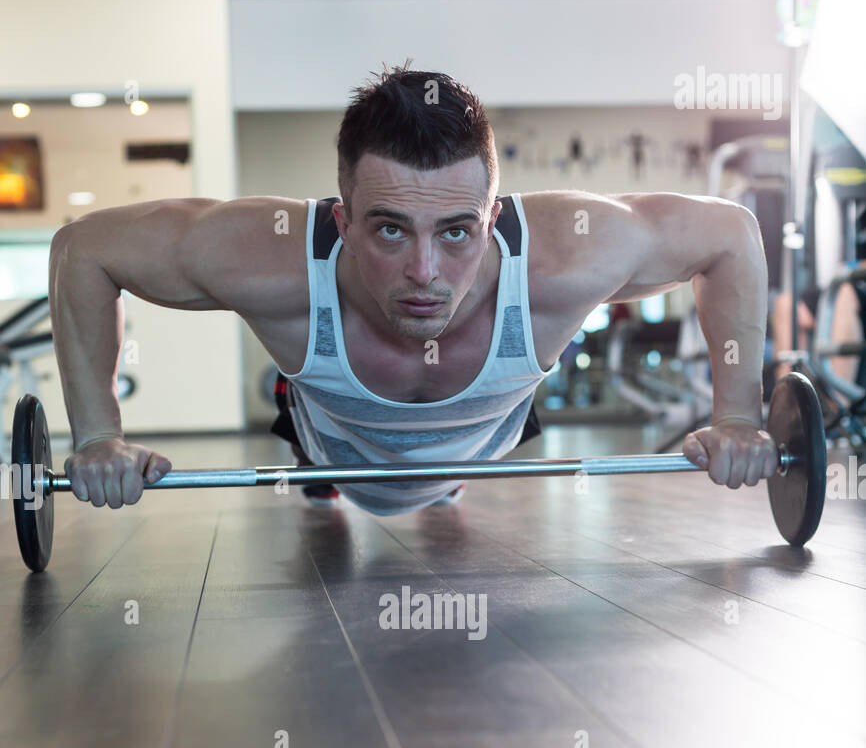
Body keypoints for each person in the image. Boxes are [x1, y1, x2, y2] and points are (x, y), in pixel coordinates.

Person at [49, 65, 779, 511]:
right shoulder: (267, 260)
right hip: (328, 439)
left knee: (451, 478)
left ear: (495, 216)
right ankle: (324, 472)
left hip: (484, 442)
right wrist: (97, 433)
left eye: (457, 231)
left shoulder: (569, 255)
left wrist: (738, 417)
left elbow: (731, 235)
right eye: (390, 230)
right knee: (325, 465)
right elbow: (83, 249)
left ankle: (449, 477)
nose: (424, 272)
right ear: (343, 217)